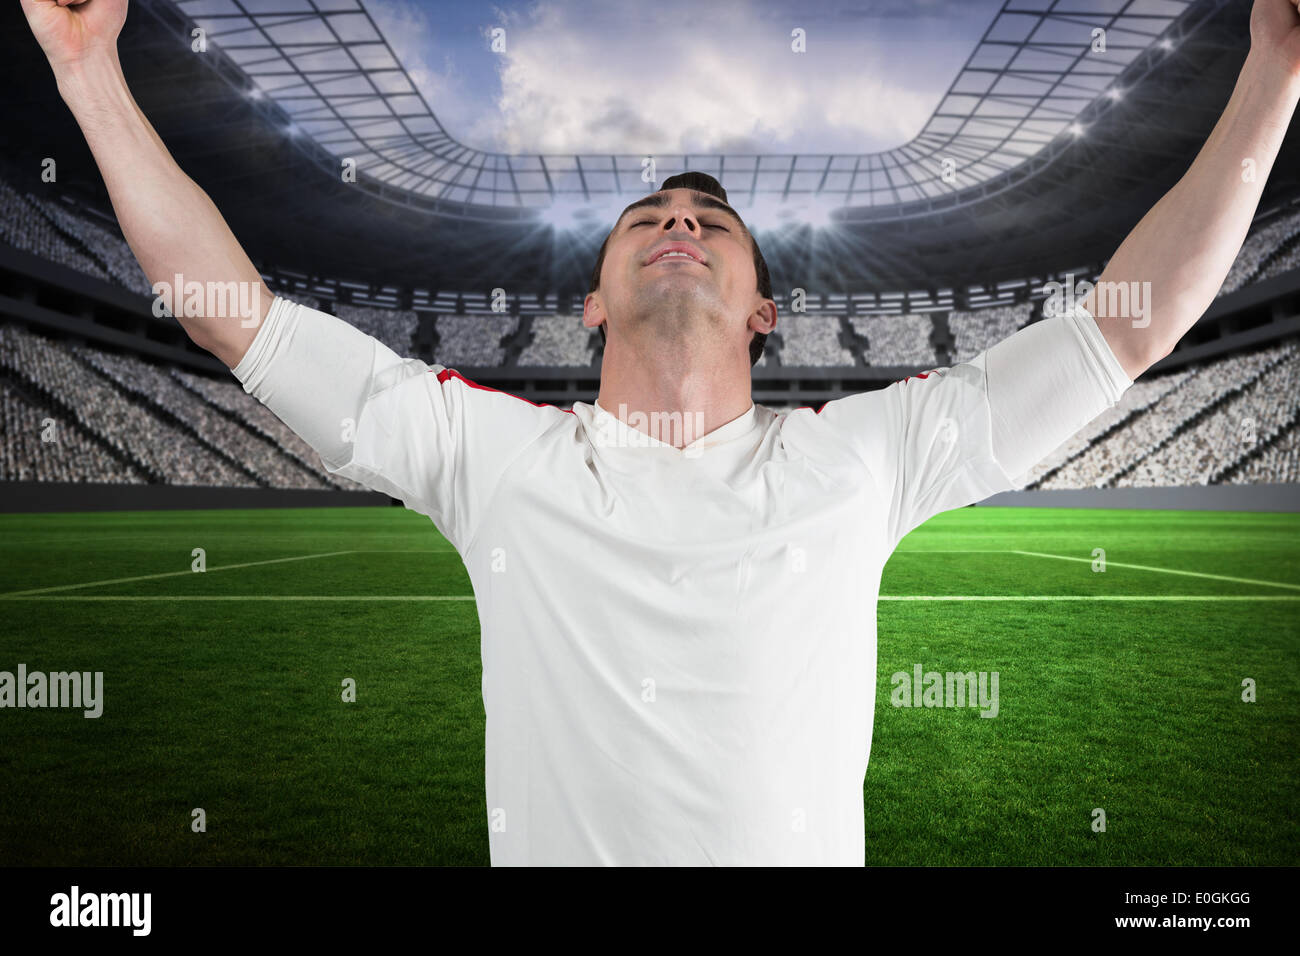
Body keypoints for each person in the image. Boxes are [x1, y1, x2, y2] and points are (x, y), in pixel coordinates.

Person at [21, 0, 1300, 865]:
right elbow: (232, 316)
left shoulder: (864, 455)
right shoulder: (493, 458)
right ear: (590, 298)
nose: (679, 222)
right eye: (648, 216)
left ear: (763, 310)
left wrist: (1272, 71)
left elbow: (1123, 333)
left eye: (711, 219)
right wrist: (86, 71)